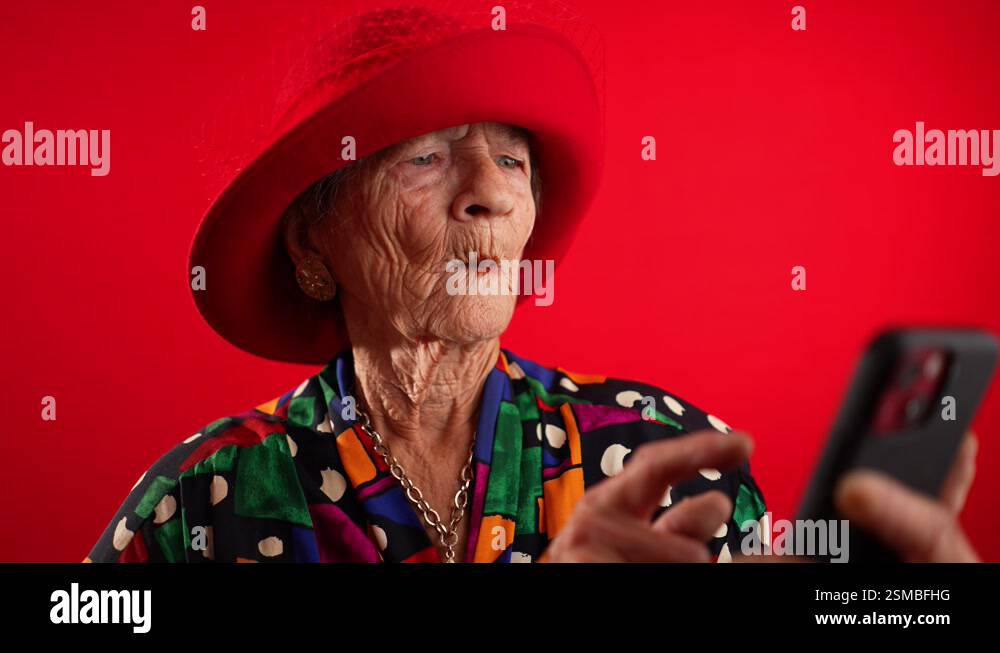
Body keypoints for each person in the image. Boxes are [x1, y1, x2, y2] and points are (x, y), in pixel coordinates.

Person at [84, 1, 983, 564]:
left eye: (511, 162)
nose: (487, 194)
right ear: (316, 251)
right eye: (425, 158)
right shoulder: (204, 498)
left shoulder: (664, 459)